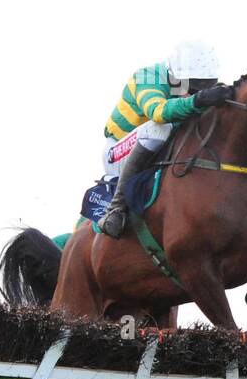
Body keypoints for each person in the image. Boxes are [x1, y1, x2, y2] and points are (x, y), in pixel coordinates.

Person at [99, 40, 234, 238]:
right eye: (194, 86)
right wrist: (198, 100)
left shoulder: (183, 77)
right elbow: (158, 113)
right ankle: (116, 209)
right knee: (159, 127)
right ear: (177, 76)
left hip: (156, 147)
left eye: (206, 85)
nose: (196, 90)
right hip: (118, 152)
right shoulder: (147, 77)